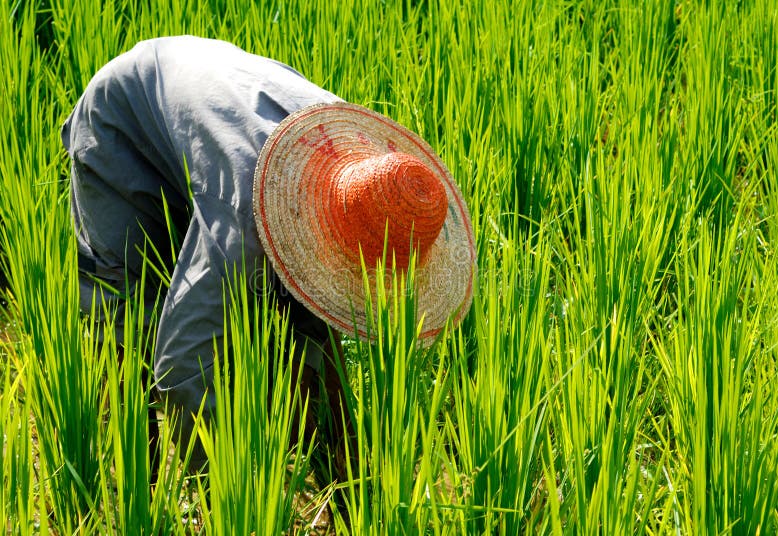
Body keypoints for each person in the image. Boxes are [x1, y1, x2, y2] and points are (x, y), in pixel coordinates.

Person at [62, 36, 476, 475]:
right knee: (127, 321)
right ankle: (128, 491)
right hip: (125, 118)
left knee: (304, 325)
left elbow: (314, 336)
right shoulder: (248, 216)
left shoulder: (364, 167)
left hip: (214, 108)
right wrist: (232, 498)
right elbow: (183, 370)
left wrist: (352, 483)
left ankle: (346, 485)